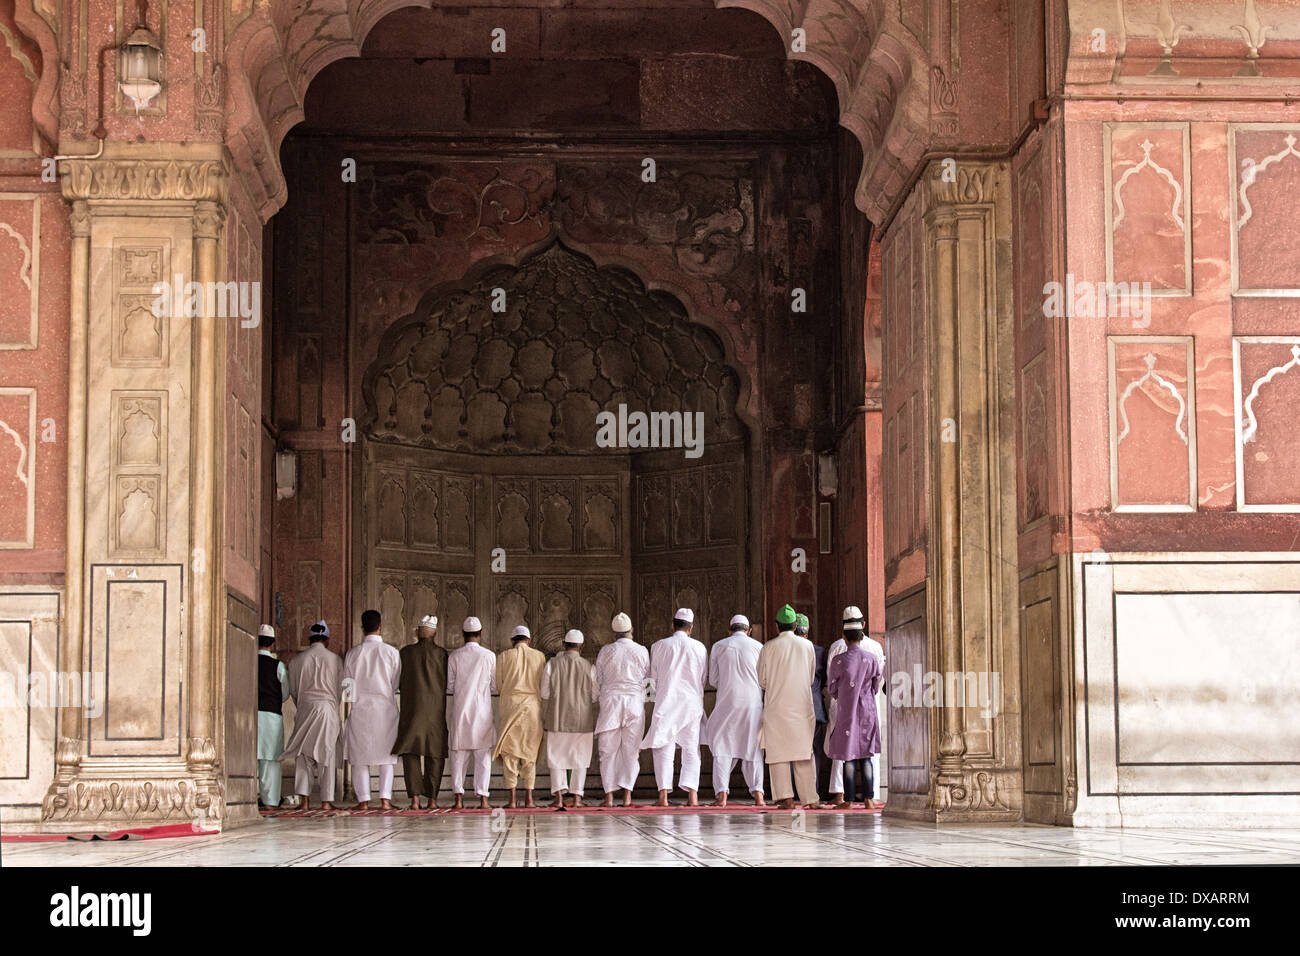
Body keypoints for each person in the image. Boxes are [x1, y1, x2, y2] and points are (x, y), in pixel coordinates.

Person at [642, 608, 707, 807]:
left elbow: (650, 678)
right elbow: (702, 678)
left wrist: (649, 700)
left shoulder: (658, 646)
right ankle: (692, 796)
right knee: (690, 749)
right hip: (691, 704)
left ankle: (663, 796)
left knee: (663, 748)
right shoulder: (700, 648)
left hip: (666, 703)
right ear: (691, 628)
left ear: (672, 625)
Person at [756, 604, 818, 809]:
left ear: (777, 626)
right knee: (803, 753)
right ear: (794, 625)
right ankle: (810, 799)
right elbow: (810, 678)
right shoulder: (807, 646)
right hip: (801, 706)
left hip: (776, 707)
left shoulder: (768, 647)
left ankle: (786, 798)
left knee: (778, 755)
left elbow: (762, 680)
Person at [826, 605, 886, 806]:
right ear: (863, 628)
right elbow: (878, 683)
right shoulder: (874, 652)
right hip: (868, 709)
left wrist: (843, 695)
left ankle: (846, 798)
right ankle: (871, 797)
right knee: (868, 755)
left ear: (843, 633)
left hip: (845, 709)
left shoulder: (838, 654)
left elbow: (831, 685)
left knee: (848, 756)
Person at [281, 620, 343, 813]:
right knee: (327, 755)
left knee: (304, 756)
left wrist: (304, 703)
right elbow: (340, 689)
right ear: (327, 639)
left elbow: (292, 689)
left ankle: (305, 801)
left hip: (305, 708)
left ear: (309, 639)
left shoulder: (297, 661)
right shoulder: (335, 659)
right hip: (327, 709)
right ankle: (326, 801)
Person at [342, 609, 401, 811]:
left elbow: (347, 689)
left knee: (360, 757)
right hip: (385, 710)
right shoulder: (392, 652)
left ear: (362, 628)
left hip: (360, 710)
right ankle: (385, 800)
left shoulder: (352, 654)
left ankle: (364, 800)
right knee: (386, 758)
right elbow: (395, 683)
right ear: (380, 627)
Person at [704, 613, 765, 806]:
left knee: (723, 747)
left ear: (729, 630)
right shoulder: (758, 647)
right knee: (753, 748)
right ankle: (759, 796)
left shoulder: (719, 646)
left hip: (727, 702)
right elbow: (764, 680)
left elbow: (713, 680)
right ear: (749, 631)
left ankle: (722, 795)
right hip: (752, 704)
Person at [594, 611, 650, 807]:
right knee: (631, 751)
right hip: (634, 702)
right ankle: (627, 796)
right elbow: (648, 680)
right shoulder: (642, 650)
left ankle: (609, 797)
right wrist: (646, 701)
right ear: (631, 630)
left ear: (613, 633)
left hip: (611, 702)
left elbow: (598, 679)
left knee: (607, 750)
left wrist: (601, 696)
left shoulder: (606, 651)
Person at [393, 614, 448, 810]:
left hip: (412, 711)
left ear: (418, 632)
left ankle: (415, 800)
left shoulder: (406, 653)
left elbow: (397, 681)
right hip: (435, 712)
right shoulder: (442, 654)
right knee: (435, 754)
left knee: (411, 753)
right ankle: (432, 800)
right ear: (434, 634)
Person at [541, 628, 597, 808]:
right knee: (580, 759)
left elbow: (544, 693)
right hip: (582, 721)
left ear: (564, 645)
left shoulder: (552, 664)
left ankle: (558, 798)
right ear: (581, 647)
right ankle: (577, 798)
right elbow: (595, 696)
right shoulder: (590, 667)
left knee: (556, 758)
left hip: (557, 718)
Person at [493, 624, 546, 809]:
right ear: (529, 640)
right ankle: (529, 799)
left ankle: (512, 800)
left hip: (510, 707)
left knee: (510, 754)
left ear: (512, 641)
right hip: (532, 707)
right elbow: (543, 684)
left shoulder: (504, 656)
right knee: (529, 753)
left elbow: (498, 685)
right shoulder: (539, 656)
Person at [447, 616, 496, 809]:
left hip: (461, 712)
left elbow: (450, 685)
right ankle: (483, 799)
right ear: (480, 634)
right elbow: (493, 686)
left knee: (459, 757)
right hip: (482, 712)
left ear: (463, 635)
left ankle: (458, 799)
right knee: (483, 757)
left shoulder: (455, 656)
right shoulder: (489, 656)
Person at [256, 625, 289, 809]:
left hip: (251, 716)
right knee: (270, 761)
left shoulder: (248, 663)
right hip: (271, 718)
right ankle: (270, 801)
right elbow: (285, 693)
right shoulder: (278, 666)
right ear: (272, 644)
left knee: (250, 758)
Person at [797, 612, 830, 797]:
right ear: (807, 632)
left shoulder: (789, 650)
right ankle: (813, 791)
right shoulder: (818, 651)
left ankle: (797, 792)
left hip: (795, 706)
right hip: (814, 706)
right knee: (814, 751)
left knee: (795, 751)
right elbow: (823, 678)